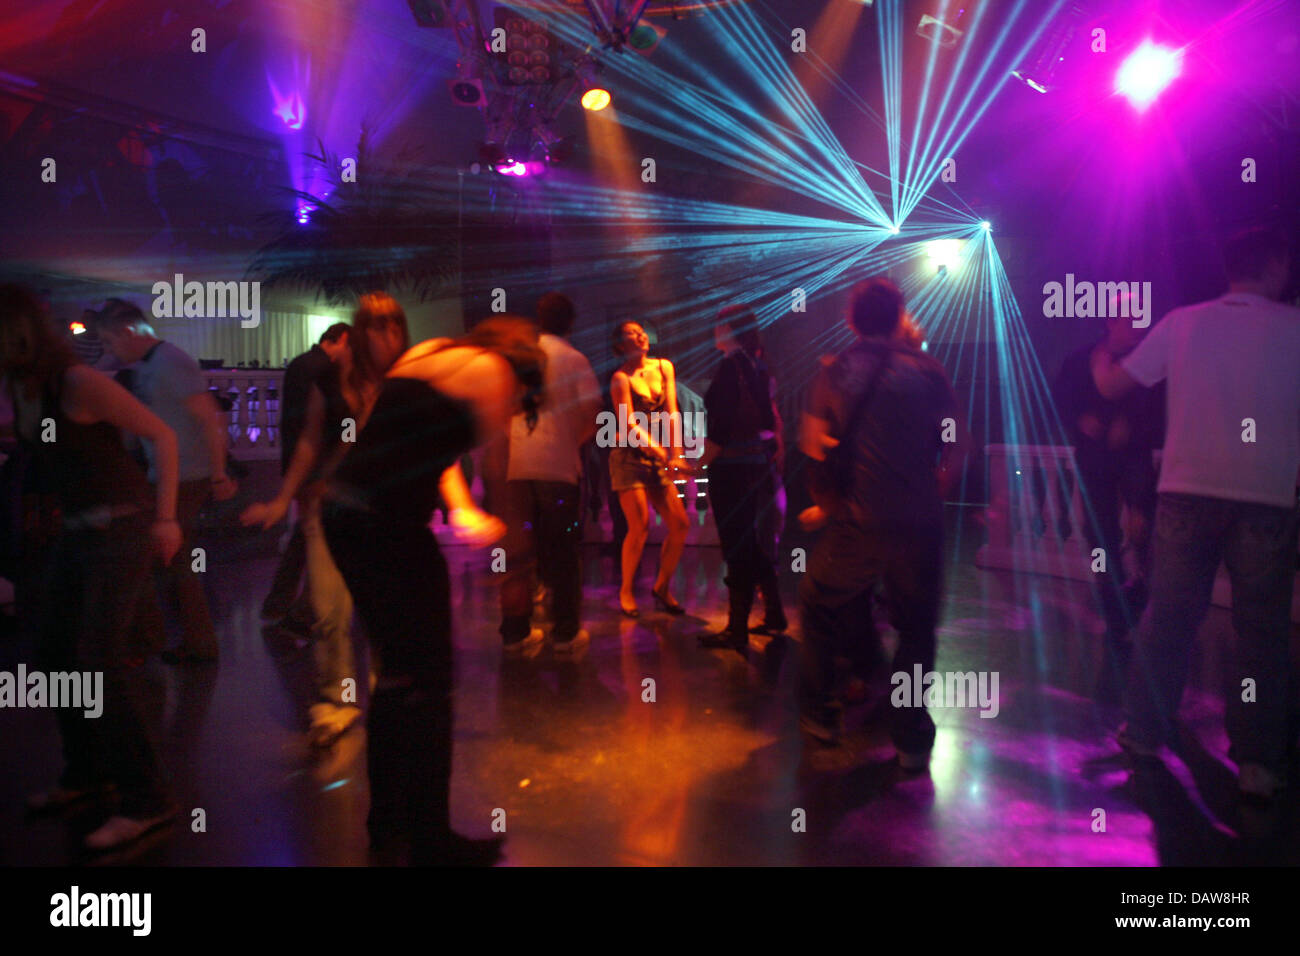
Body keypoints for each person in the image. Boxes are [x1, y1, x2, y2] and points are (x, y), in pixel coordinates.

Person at [320, 310, 545, 865]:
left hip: (345, 514)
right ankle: (429, 838)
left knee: (400, 677)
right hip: (387, 525)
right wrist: (507, 540)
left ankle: (390, 826)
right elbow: (492, 461)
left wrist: (462, 511)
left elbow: (430, 449)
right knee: (429, 679)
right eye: (525, 396)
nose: (517, 407)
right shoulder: (494, 372)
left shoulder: (435, 353)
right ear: (520, 369)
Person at [1091, 225, 1300, 801]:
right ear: (1277, 266)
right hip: (1267, 497)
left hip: (1185, 491)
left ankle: (1145, 733)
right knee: (1260, 632)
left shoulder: (1183, 322)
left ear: (1230, 269)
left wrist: (1112, 341)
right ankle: (1257, 762)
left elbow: (1111, 386)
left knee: (1170, 621)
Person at [1, 283, 182, 851]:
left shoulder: (79, 382)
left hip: (122, 527)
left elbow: (163, 435)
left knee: (100, 661)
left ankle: (148, 800)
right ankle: (87, 775)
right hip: (78, 530)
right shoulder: (27, 387)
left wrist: (168, 519)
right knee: (55, 654)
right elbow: (39, 442)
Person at [797, 278, 964, 764]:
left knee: (820, 604)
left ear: (853, 321)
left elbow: (811, 445)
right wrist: (933, 491)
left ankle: (823, 716)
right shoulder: (929, 372)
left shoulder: (836, 371)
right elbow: (955, 443)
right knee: (916, 628)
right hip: (919, 522)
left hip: (859, 522)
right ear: (898, 316)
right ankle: (910, 739)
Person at [242, 304, 391, 748]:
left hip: (379, 509)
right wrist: (283, 498)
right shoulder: (325, 381)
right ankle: (338, 700)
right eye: (370, 332)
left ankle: (390, 694)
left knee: (381, 610)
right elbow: (309, 443)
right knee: (328, 611)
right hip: (328, 507)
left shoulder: (395, 385)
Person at [90, 300, 237, 664]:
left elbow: (211, 418)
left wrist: (219, 473)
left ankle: (189, 644)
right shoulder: (150, 364)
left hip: (187, 475)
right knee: (172, 559)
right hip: (170, 475)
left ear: (128, 332)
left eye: (109, 342)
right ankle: (190, 642)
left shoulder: (171, 361)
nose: (109, 352)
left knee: (171, 558)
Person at [1053, 308, 1163, 706]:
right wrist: (1083, 420)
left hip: (1132, 458)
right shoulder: (1082, 360)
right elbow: (1061, 398)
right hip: (1097, 460)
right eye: (1130, 321)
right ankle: (1118, 610)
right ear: (1111, 323)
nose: (1138, 328)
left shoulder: (1148, 358)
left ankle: (1133, 597)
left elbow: (1162, 407)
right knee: (1098, 534)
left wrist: (1132, 428)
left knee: (1142, 526)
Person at [498, 293, 601, 655]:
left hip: (518, 468)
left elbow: (501, 408)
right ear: (571, 322)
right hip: (557, 469)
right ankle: (565, 632)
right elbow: (592, 414)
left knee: (519, 554)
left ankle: (515, 632)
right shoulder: (574, 359)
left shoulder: (520, 357)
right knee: (562, 553)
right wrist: (567, 441)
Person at [694, 305, 787, 652]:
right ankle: (774, 613)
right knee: (751, 542)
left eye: (719, 324)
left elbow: (721, 427)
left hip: (732, 469)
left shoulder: (732, 366)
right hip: (755, 465)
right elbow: (766, 418)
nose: (715, 330)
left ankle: (737, 628)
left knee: (737, 546)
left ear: (729, 329)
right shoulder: (757, 365)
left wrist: (699, 463)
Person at [260, 323, 352, 628]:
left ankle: (284, 605)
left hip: (303, 463)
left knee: (307, 533)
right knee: (313, 535)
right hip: (317, 467)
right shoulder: (322, 370)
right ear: (342, 340)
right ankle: (301, 609)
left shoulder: (301, 364)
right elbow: (318, 426)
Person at [608, 321, 691, 617]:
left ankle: (662, 587)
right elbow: (629, 425)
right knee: (640, 524)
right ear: (620, 345)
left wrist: (676, 455)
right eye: (632, 332)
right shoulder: (620, 379)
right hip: (628, 457)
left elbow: (672, 411)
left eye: (641, 330)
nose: (641, 335)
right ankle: (626, 591)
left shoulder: (663, 366)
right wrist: (662, 454)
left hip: (660, 457)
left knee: (680, 524)